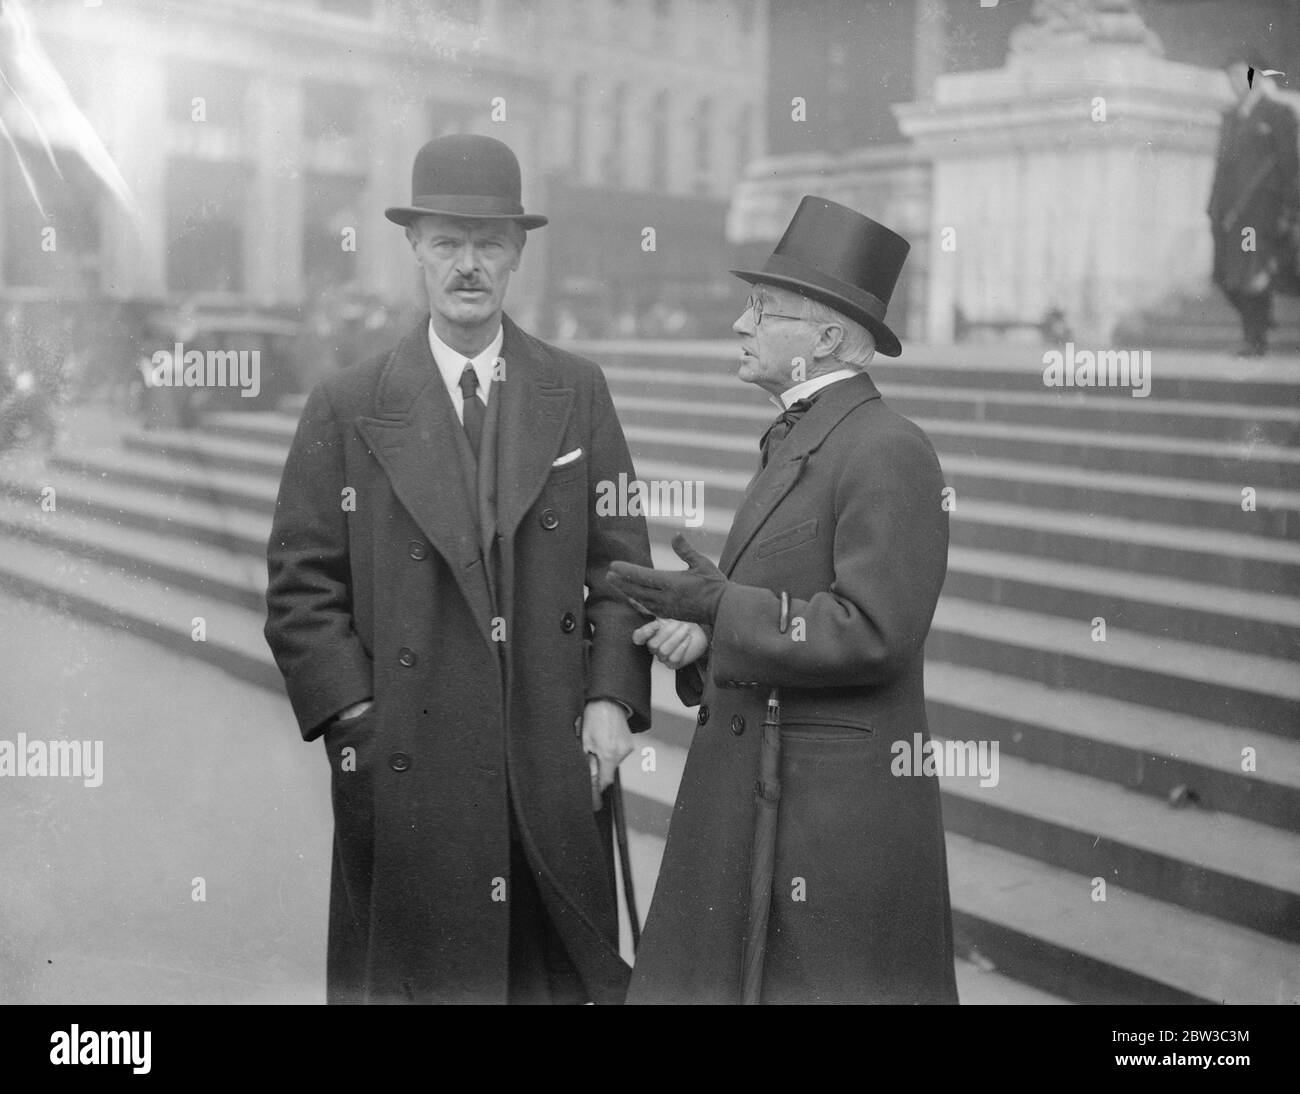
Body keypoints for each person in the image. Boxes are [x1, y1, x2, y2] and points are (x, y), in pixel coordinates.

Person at [264, 134, 652, 1005]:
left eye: (488, 245)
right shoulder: (350, 403)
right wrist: (361, 720)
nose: (466, 265)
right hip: (411, 774)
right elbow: (301, 589)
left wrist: (607, 699)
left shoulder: (576, 390)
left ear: (517, 255)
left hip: (546, 767)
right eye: (446, 242)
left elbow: (622, 566)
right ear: (414, 250)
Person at [608, 196, 958, 1005]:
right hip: (771, 793)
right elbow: (792, 607)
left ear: (829, 339)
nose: (741, 324)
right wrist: (708, 634)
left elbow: (875, 630)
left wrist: (721, 609)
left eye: (765, 308)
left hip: (824, 822)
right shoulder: (808, 436)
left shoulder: (887, 449)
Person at [1208, 52, 1300, 357]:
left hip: (1260, 212)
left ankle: (1254, 337)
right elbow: (1222, 167)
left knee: (1250, 274)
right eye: (1231, 76)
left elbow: (1289, 164)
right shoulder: (1231, 117)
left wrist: (1289, 208)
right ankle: (1262, 317)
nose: (1235, 82)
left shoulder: (1278, 114)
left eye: (1241, 74)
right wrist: (1212, 206)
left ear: (1258, 77)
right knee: (1224, 276)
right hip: (1230, 213)